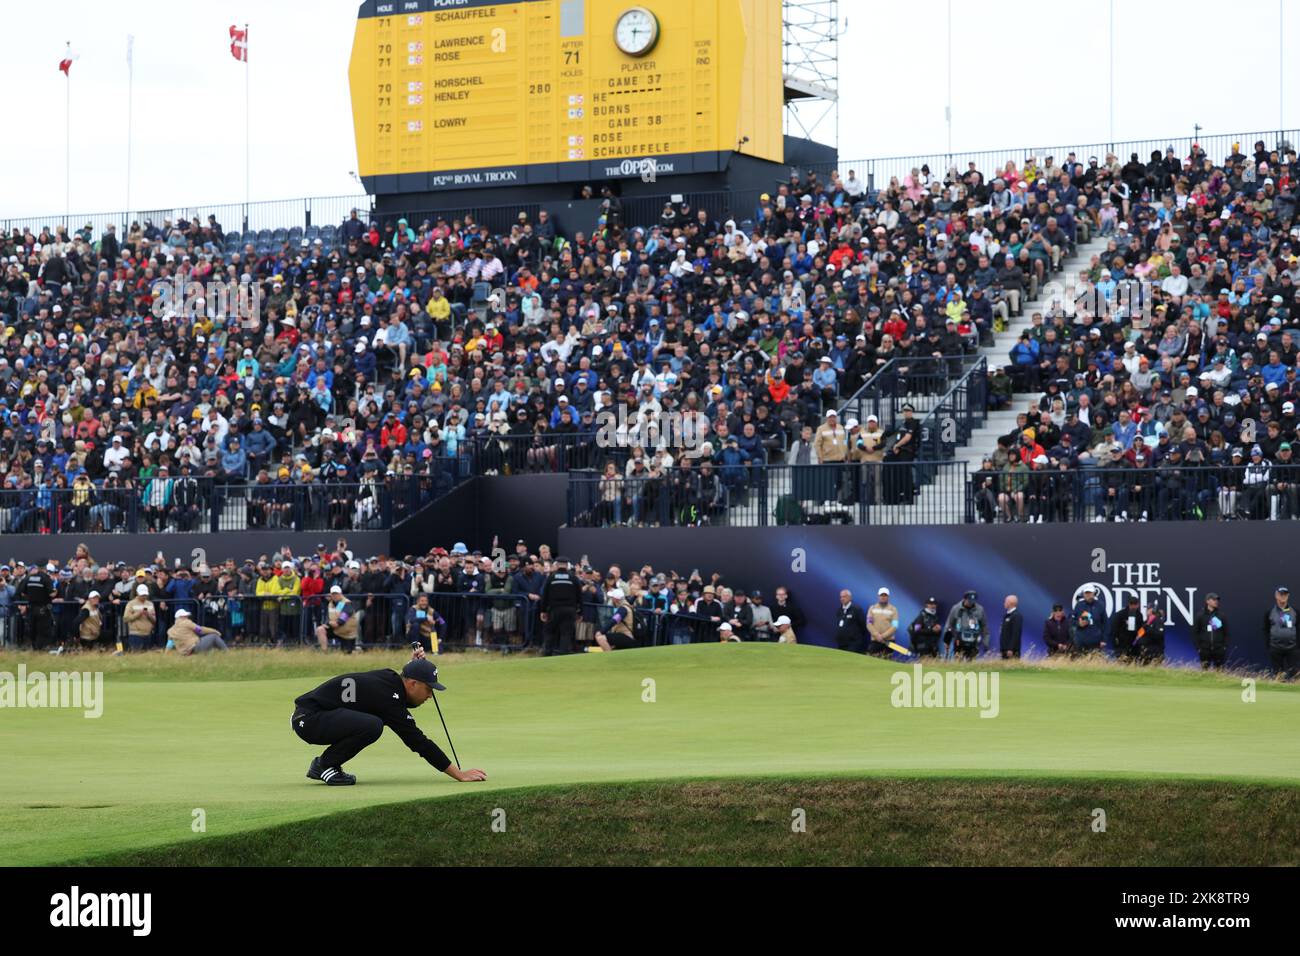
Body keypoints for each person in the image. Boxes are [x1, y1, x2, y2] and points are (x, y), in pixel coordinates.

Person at [291, 646, 487, 786]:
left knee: (372, 723)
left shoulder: (391, 681)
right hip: (309, 719)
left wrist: (415, 666)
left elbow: (405, 691)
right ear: (412, 684)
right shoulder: (388, 698)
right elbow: (418, 741)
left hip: (315, 716)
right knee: (372, 725)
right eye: (428, 689)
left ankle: (326, 764)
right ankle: (324, 765)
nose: (429, 695)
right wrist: (458, 774)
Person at [539, 555, 580, 656]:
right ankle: (563, 655)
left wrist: (543, 610)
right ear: (567, 565)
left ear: (556, 565)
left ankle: (547, 654)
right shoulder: (573, 578)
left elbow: (545, 595)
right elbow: (579, 596)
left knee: (550, 632)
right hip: (570, 610)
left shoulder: (551, 577)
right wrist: (580, 612)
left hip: (554, 610)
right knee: (566, 633)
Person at [1263, 585, 1300, 680]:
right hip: (1276, 648)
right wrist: (1269, 645)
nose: (1283, 596)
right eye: (1281, 594)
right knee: (1278, 675)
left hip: (1292, 648)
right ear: (1276, 596)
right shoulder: (1269, 612)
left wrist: (1297, 645)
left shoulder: (1295, 612)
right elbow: (1265, 629)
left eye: (1285, 594)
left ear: (1288, 596)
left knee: (1294, 674)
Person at [18, 561, 56, 650]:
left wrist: (32, 596)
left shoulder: (28, 578)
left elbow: (22, 593)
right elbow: (52, 594)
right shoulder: (46, 578)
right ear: (45, 568)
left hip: (31, 609)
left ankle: (34, 648)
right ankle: (40, 650)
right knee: (43, 631)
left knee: (32, 630)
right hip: (43, 610)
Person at [944, 590, 988, 659]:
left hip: (974, 641)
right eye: (969, 600)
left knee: (971, 663)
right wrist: (947, 641)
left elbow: (984, 627)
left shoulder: (980, 609)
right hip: (959, 640)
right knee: (958, 662)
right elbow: (949, 625)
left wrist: (986, 642)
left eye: (973, 600)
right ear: (964, 599)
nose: (971, 603)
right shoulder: (956, 608)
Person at [1192, 592, 1230, 670]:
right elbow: (1195, 632)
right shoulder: (1200, 616)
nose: (1216, 601)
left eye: (1217, 600)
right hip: (1204, 650)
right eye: (1213, 599)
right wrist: (1199, 648)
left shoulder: (1221, 615)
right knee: (1205, 673)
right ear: (1207, 601)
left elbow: (1226, 632)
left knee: (1220, 672)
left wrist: (1224, 647)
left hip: (1218, 649)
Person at [317, 585, 360, 652]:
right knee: (320, 629)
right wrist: (326, 623)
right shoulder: (332, 604)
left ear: (341, 594)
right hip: (336, 630)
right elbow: (331, 617)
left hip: (347, 633)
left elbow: (341, 620)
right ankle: (324, 652)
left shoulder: (346, 603)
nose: (335, 596)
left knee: (347, 653)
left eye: (336, 594)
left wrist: (331, 623)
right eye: (333, 594)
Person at [1070, 585, 1106, 656]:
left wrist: (1104, 640)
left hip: (1095, 641)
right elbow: (1071, 621)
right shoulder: (1079, 605)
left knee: (1095, 664)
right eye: (1086, 593)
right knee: (1080, 664)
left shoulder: (1100, 605)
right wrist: (1079, 623)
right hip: (1081, 641)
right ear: (1083, 594)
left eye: (1090, 593)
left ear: (1094, 594)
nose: (1088, 595)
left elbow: (1105, 623)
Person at [865, 586, 899, 656]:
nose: (883, 597)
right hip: (875, 640)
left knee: (887, 664)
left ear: (888, 597)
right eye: (881, 595)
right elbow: (868, 623)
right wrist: (876, 635)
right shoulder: (872, 608)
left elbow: (895, 626)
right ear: (878, 596)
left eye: (885, 595)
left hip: (888, 641)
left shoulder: (893, 609)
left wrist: (883, 636)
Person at [1109, 594, 1143, 662]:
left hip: (1135, 645)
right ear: (1128, 604)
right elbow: (1114, 629)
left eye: (1135, 604)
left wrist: (1139, 642)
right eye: (1131, 604)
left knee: (1134, 664)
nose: (1133, 606)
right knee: (1122, 663)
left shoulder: (1139, 615)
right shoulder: (1120, 614)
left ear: (1138, 605)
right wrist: (1116, 644)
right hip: (1122, 644)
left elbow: (1140, 629)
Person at [999, 594, 1023, 659]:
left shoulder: (1016, 616)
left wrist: (1011, 648)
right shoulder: (1006, 615)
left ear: (1010, 603)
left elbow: (1016, 633)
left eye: (1005, 601)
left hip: (1011, 651)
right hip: (1004, 649)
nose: (1004, 603)